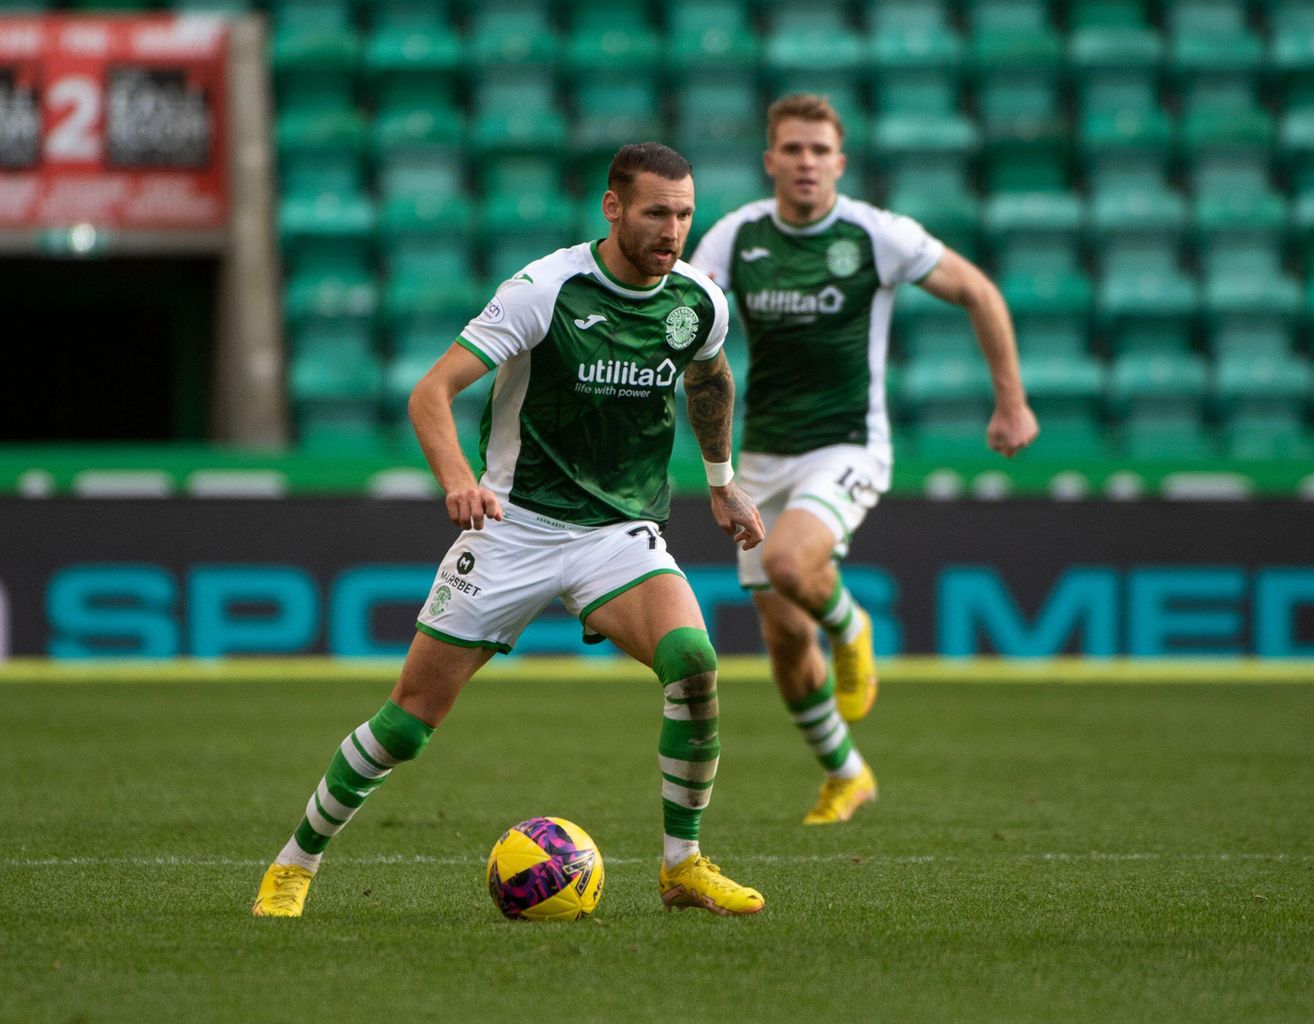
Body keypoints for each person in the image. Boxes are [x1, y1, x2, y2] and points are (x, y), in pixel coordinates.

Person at [253, 143, 768, 918]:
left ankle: (682, 866)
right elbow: (431, 394)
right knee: (409, 721)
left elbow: (711, 376)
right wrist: (460, 482)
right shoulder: (545, 289)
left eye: (686, 213)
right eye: (658, 211)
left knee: (693, 664)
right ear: (613, 207)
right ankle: (294, 865)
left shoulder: (697, 300)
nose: (674, 229)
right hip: (513, 526)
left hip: (616, 532)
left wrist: (722, 483)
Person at [690, 94, 1039, 825]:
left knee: (791, 565)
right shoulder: (736, 236)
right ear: (771, 161)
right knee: (783, 637)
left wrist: (1010, 401)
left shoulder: (875, 234)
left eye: (820, 150)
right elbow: (687, 318)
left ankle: (852, 629)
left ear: (839, 163)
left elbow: (978, 290)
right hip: (761, 454)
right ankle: (846, 773)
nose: (806, 162)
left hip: (846, 445)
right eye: (793, 149)